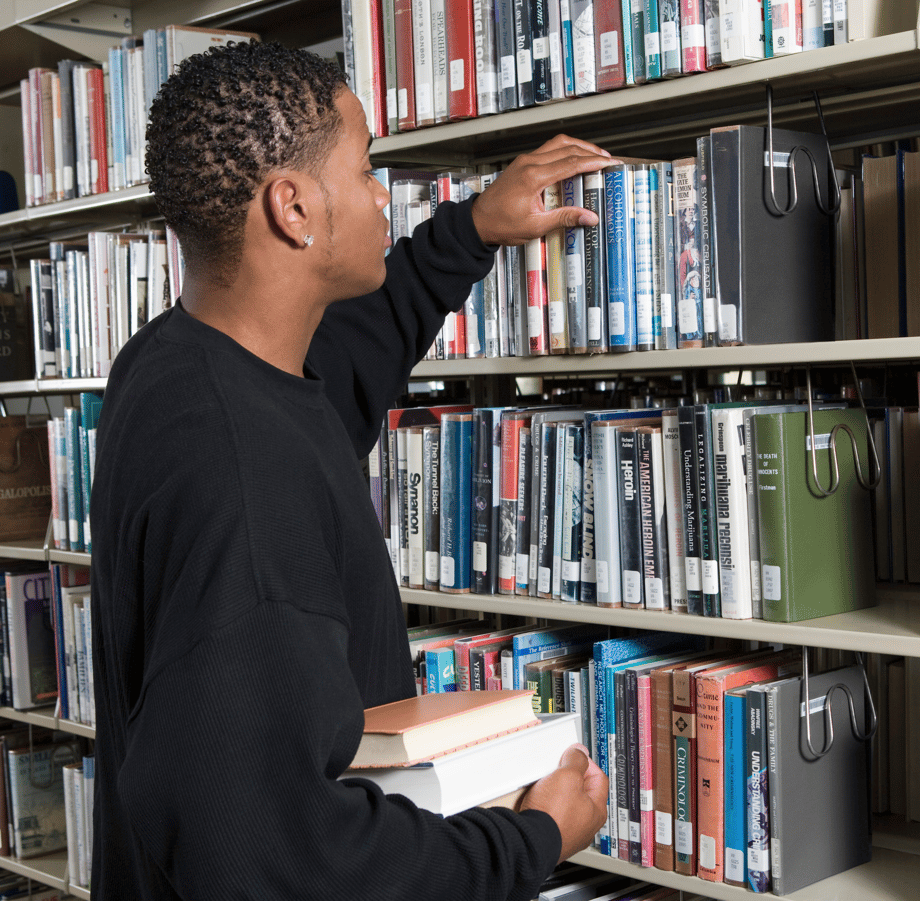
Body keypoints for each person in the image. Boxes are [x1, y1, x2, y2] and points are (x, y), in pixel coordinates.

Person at [89, 40, 613, 901]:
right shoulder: (245, 485)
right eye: (367, 167)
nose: (382, 196)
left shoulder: (173, 365)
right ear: (292, 207)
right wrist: (530, 836)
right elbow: (274, 857)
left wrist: (472, 228)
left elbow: (340, 363)